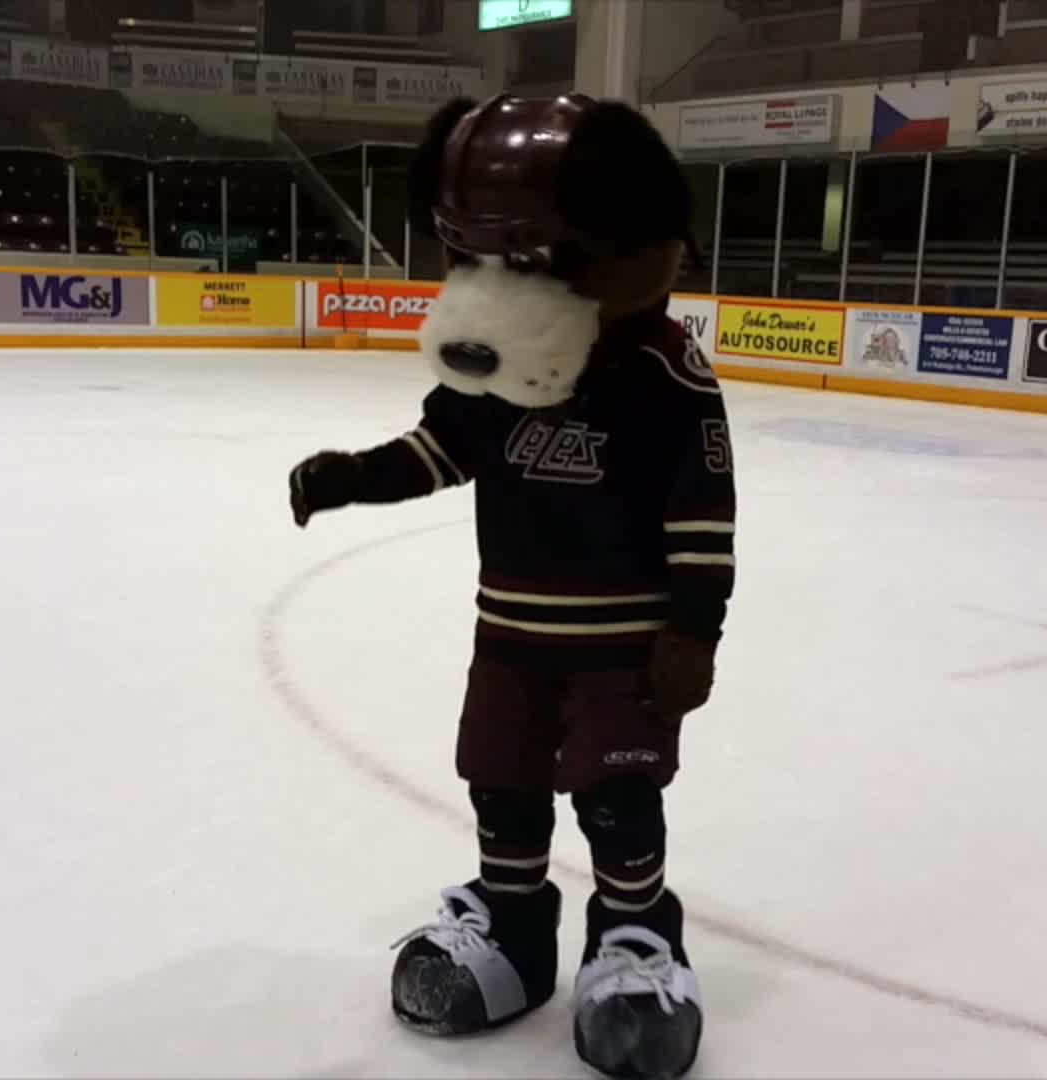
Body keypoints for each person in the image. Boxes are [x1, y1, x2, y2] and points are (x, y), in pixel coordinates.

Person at [287, 94, 736, 1080]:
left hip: (623, 643)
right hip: (512, 636)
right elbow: (441, 446)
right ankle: (511, 925)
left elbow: (702, 515)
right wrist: (356, 475)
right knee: (503, 782)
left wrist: (694, 630)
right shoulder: (501, 364)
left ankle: (635, 938)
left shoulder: (667, 375)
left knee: (618, 796)